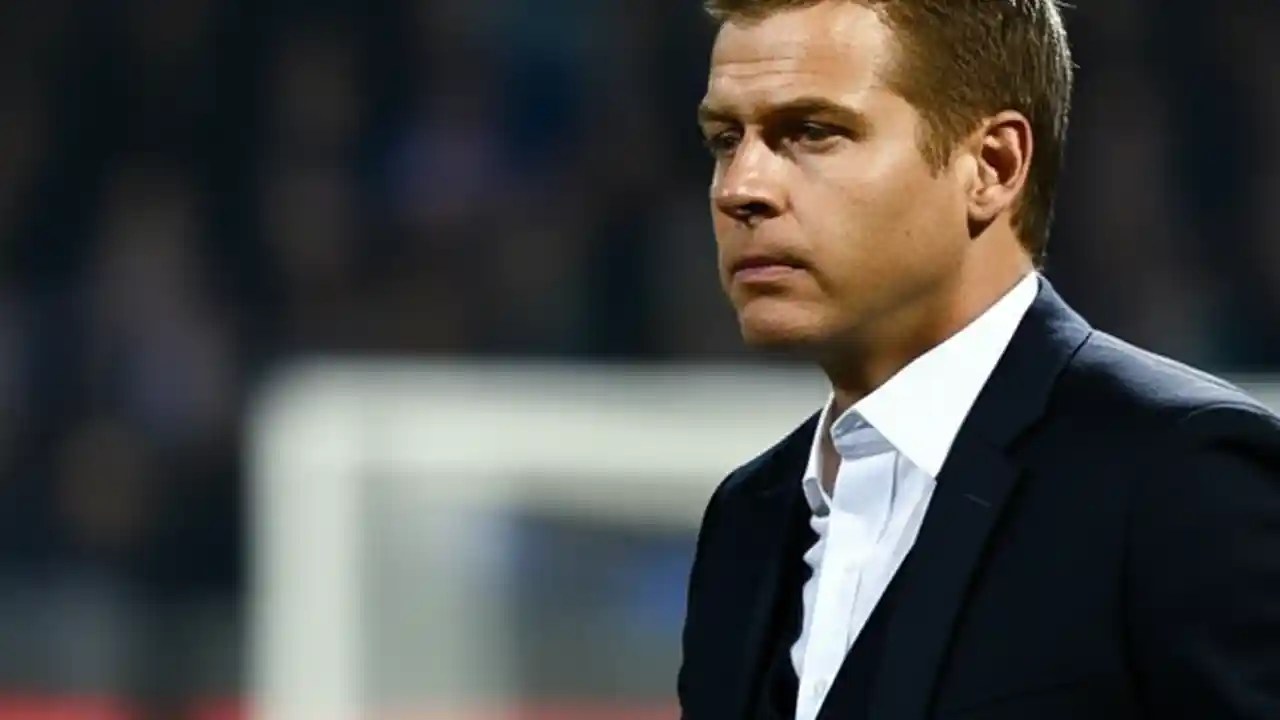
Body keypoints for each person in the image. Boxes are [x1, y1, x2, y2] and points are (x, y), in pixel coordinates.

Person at [676, 1, 1280, 719]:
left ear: (993, 165)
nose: (741, 187)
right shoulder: (746, 518)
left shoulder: (1179, 478)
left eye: (811, 132)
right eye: (724, 139)